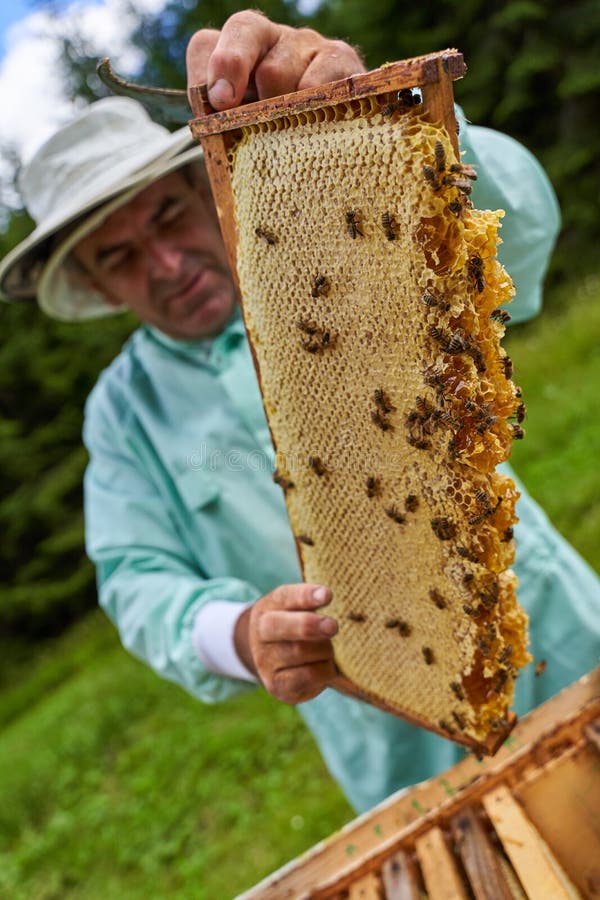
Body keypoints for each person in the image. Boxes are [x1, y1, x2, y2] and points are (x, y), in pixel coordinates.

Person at [1, 10, 598, 815]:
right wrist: (239, 633)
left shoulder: (350, 253)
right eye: (121, 256)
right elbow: (136, 580)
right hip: (396, 741)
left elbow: (519, 236)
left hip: (557, 634)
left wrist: (376, 121)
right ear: (96, 286)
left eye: (168, 217)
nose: (167, 264)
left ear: (202, 185)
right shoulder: (122, 415)